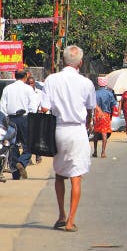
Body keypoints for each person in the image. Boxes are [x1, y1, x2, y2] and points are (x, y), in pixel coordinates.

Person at [39, 45, 96, 232]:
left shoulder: (51, 80)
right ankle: (70, 221)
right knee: (76, 177)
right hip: (77, 131)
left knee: (59, 175)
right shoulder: (86, 83)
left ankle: (61, 215)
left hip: (59, 130)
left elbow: (44, 108)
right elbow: (90, 109)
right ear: (80, 62)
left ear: (63, 60)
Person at [0, 69, 36, 179]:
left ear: (15, 76)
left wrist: (6, 119)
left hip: (10, 119)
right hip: (24, 119)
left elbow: (2, 106)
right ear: (25, 77)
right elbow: (33, 106)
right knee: (28, 144)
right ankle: (22, 162)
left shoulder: (7, 88)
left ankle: (16, 173)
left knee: (13, 146)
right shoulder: (28, 89)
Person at [93, 77, 117, 157]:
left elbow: (93, 105)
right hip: (106, 115)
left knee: (96, 133)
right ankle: (103, 152)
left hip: (97, 115)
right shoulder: (110, 94)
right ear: (105, 84)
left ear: (98, 84)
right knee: (104, 134)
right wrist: (111, 116)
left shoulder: (95, 93)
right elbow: (113, 106)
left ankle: (95, 151)